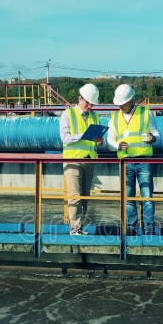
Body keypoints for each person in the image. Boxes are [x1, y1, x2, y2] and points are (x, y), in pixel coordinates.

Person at [106, 84, 160, 235]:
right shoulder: (114, 117)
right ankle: (132, 229)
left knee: (147, 197)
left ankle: (149, 230)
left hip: (144, 161)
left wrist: (152, 138)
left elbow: (157, 134)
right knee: (128, 198)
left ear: (133, 101)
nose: (121, 107)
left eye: (123, 104)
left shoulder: (145, 113)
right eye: (119, 104)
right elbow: (109, 142)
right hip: (125, 162)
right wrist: (117, 146)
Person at [59, 83, 104, 235]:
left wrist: (99, 140)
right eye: (87, 102)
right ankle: (75, 228)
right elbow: (65, 138)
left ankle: (80, 227)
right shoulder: (68, 114)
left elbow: (94, 138)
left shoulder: (95, 116)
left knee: (84, 197)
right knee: (75, 196)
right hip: (72, 160)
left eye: (92, 104)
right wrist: (84, 135)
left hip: (89, 160)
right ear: (80, 99)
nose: (90, 106)